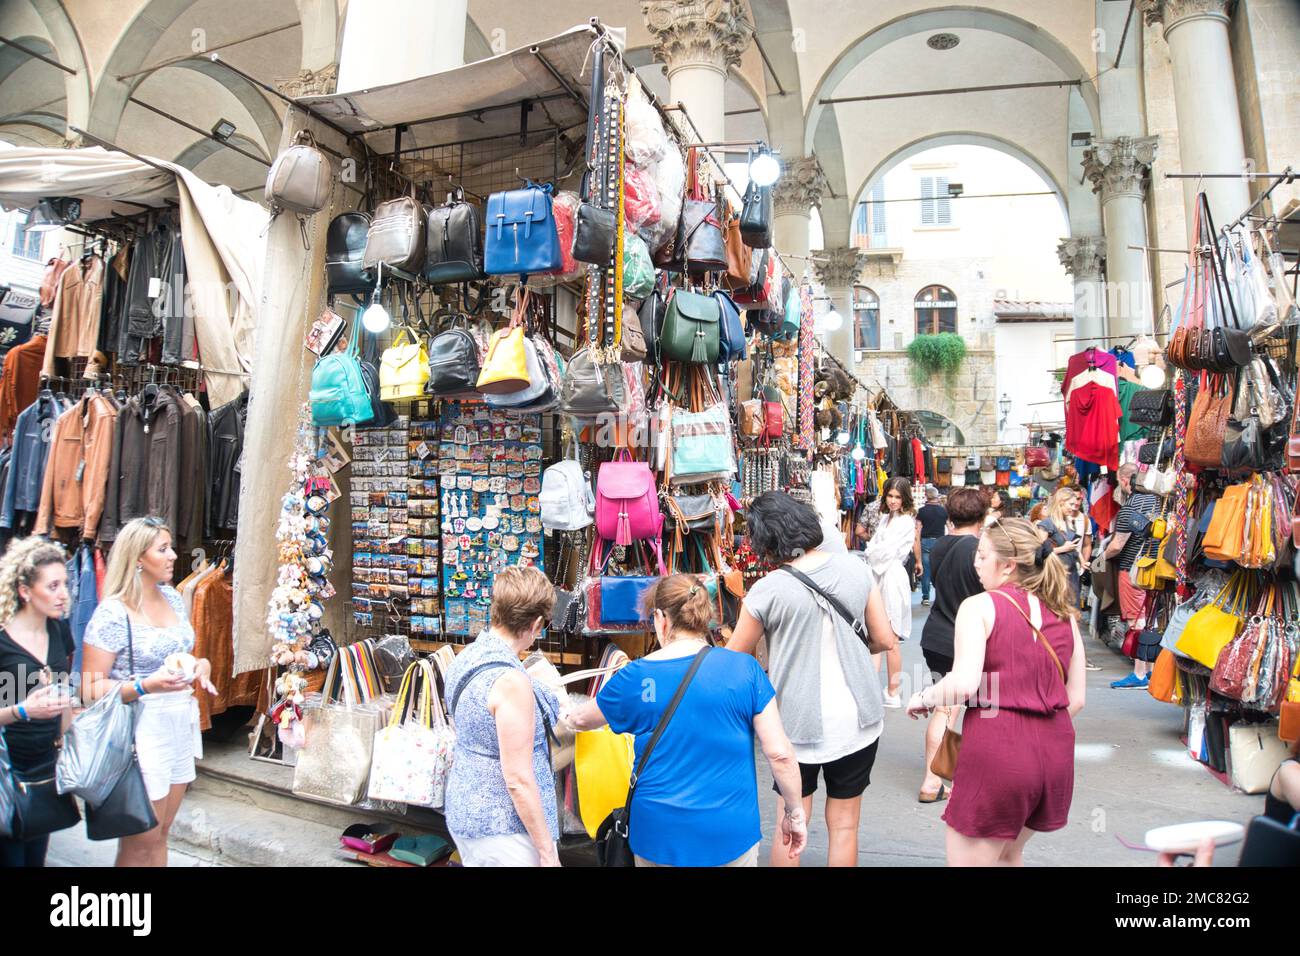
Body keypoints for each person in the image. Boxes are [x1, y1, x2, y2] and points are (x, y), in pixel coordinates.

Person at [564, 574, 807, 867]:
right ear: (704, 617)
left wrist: (558, 707)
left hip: (658, 834)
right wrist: (794, 813)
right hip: (729, 832)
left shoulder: (637, 677)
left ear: (660, 618)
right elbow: (780, 754)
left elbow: (581, 719)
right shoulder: (745, 670)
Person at [728, 492, 897, 867]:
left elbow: (733, 658)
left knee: (790, 825)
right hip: (858, 717)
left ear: (764, 540)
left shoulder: (767, 590)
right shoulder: (856, 568)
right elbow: (885, 639)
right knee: (845, 825)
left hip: (795, 723)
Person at [905, 517, 1086, 866]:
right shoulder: (1064, 612)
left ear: (1008, 565)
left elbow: (962, 683)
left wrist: (923, 698)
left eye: (983, 556)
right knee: (1008, 855)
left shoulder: (980, 607)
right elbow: (1075, 698)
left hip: (999, 751)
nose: (975, 562)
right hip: (1054, 754)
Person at [81, 517, 217, 867]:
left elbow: (186, 653)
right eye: (163, 549)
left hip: (177, 722)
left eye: (170, 546)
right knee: (140, 840)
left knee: (161, 833)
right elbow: (90, 687)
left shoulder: (171, 597)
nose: (174, 555)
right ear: (137, 557)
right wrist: (146, 686)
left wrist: (201, 666)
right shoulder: (113, 612)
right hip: (139, 729)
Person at [443, 566, 561, 867]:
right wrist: (547, 851)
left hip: (467, 809)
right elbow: (518, 780)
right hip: (504, 829)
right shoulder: (510, 682)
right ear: (535, 624)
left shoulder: (466, 656)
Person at [0, 538, 75, 867]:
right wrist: (22, 711)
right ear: (25, 590)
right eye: (53, 585)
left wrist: (70, 746)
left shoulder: (59, 632)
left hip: (44, 768)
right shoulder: (3, 641)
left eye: (66, 584)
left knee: (34, 859)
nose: (64, 594)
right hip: (5, 770)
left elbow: (66, 693)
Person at [916, 487, 986, 804]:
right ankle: (934, 780)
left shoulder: (942, 544)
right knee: (954, 710)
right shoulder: (976, 549)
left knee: (946, 707)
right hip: (962, 639)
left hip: (936, 634)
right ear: (982, 516)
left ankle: (937, 778)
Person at [863, 477, 919, 707]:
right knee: (875, 635)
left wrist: (873, 551)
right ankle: (870, 689)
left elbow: (881, 552)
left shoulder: (906, 522)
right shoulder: (886, 518)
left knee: (892, 637)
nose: (894, 500)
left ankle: (893, 692)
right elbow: (874, 549)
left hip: (893, 577)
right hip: (878, 576)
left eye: (898, 497)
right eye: (890, 496)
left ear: (905, 498)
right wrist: (873, 551)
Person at [1105, 464, 1159, 688]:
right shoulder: (1159, 505)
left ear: (1127, 482)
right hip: (1156, 570)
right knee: (1151, 619)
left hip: (1133, 570)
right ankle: (1150, 672)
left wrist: (1100, 558)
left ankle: (1138, 673)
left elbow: (1118, 544)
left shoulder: (1129, 509)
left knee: (1137, 621)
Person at [916, 486, 949, 607]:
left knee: (926, 571)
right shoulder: (944, 511)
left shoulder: (921, 511)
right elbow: (950, 527)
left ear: (926, 496)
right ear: (937, 496)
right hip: (940, 542)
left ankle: (926, 597)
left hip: (925, 542)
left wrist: (917, 542)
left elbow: (918, 529)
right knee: (940, 570)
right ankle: (941, 597)